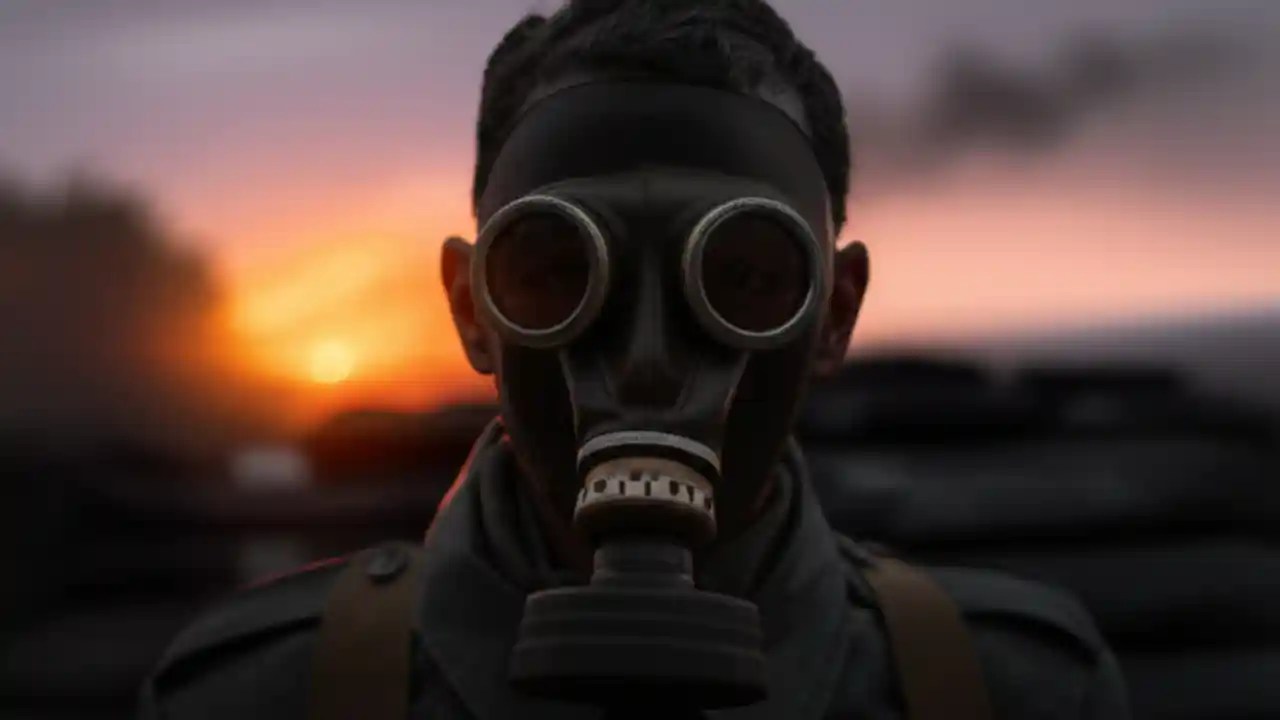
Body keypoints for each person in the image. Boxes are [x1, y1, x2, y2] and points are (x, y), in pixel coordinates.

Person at [139, 1, 1130, 718]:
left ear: (831, 314)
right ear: (470, 307)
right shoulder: (258, 695)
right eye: (560, 272)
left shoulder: (1004, 688)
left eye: (738, 279)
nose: (649, 364)